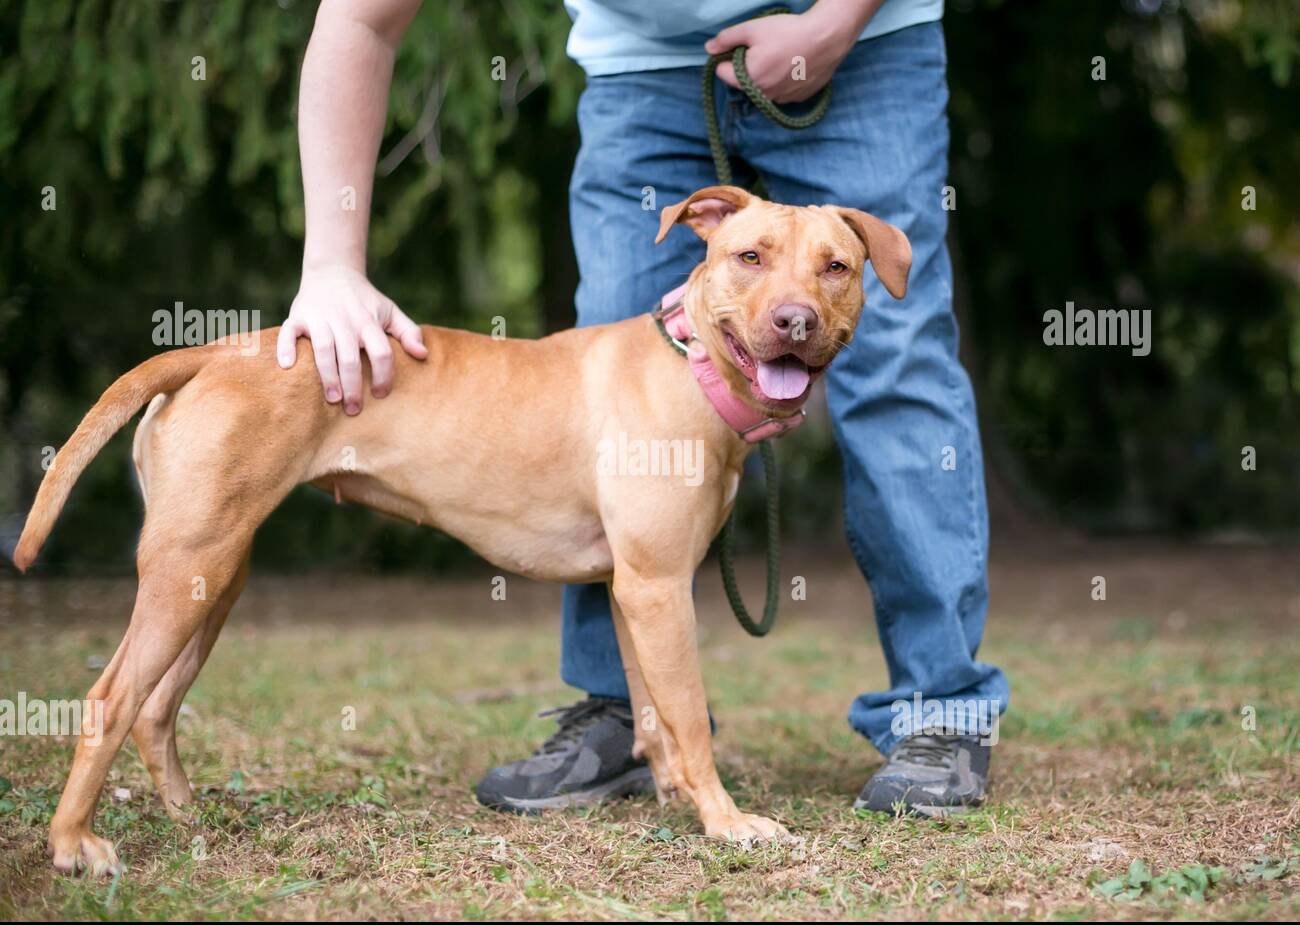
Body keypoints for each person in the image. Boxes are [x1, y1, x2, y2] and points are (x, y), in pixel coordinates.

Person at [279, 0, 1008, 819]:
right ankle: (622, 713)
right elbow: (358, 22)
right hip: (640, 68)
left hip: (863, 44)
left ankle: (938, 708)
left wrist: (833, 23)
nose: (790, 312)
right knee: (607, 372)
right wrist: (331, 264)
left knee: (898, 363)